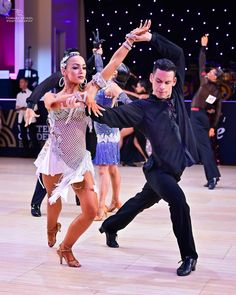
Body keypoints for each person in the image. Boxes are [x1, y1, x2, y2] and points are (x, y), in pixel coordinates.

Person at [32, 20, 151, 268]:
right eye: (75, 67)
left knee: (89, 209)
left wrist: (130, 39)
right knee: (53, 204)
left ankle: (66, 248)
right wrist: (79, 98)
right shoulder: (52, 95)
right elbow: (53, 104)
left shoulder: (91, 88)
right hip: (54, 156)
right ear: (64, 71)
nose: (81, 71)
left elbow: (114, 64)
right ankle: (52, 228)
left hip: (78, 158)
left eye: (84, 67)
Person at [90, 29, 199, 276]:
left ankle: (110, 225)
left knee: (141, 202)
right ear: (151, 78)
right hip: (159, 171)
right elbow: (111, 116)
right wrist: (88, 106)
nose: (162, 86)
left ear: (174, 81)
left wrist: (150, 38)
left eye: (167, 82)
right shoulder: (142, 108)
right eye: (158, 81)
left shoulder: (177, 93)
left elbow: (178, 53)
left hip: (174, 168)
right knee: (179, 203)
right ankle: (189, 256)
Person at [28, 46, 104, 216]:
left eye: (81, 64)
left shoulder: (83, 74)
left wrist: (96, 54)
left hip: (83, 128)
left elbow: (96, 72)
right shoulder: (60, 76)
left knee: (84, 162)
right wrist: (30, 104)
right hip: (62, 128)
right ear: (65, 66)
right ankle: (36, 203)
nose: (80, 69)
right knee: (48, 169)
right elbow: (42, 87)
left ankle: (80, 198)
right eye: (74, 63)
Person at [93, 63, 131, 220]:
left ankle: (101, 207)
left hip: (106, 133)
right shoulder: (106, 82)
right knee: (113, 168)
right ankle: (116, 200)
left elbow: (126, 102)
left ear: (115, 73)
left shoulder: (112, 87)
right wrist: (97, 53)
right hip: (108, 131)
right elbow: (99, 68)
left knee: (103, 170)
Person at [190, 35, 222, 190]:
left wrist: (203, 47)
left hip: (199, 117)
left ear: (216, 78)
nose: (209, 72)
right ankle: (214, 175)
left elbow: (217, 111)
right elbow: (212, 108)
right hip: (199, 116)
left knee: (204, 148)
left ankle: (212, 178)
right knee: (204, 147)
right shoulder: (209, 85)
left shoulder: (211, 87)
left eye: (213, 72)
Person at [15, 78, 39, 157]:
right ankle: (26, 154)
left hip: (30, 118)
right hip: (21, 118)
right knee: (23, 136)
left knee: (33, 136)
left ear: (26, 83)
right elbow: (17, 108)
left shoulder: (31, 93)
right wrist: (22, 108)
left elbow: (35, 107)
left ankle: (36, 154)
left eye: (21, 82)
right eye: (19, 82)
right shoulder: (18, 95)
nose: (20, 84)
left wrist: (25, 108)